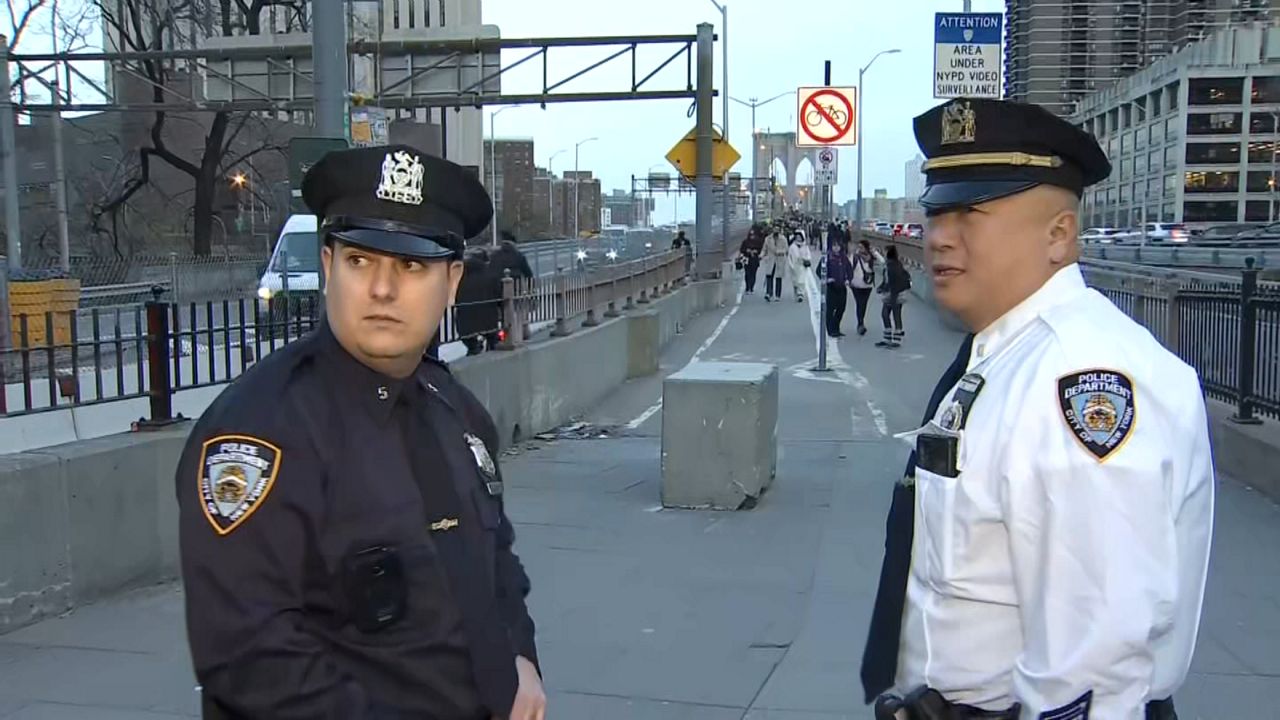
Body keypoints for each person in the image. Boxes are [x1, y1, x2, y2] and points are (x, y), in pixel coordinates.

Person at [860, 98, 1214, 720]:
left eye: (972, 211)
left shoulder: (1079, 379)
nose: (940, 235)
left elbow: (1094, 666)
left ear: (1059, 235)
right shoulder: (1005, 349)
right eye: (937, 210)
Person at [176, 144, 546, 720]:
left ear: (452, 283)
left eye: (411, 267)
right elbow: (251, 654)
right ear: (328, 267)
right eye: (359, 261)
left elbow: (494, 559)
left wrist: (520, 656)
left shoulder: (457, 412)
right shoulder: (263, 432)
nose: (381, 290)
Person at [874, 245, 911, 348]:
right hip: (891, 293)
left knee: (894, 315)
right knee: (886, 314)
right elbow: (887, 280)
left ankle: (896, 340)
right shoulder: (891, 265)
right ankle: (888, 338)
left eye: (885, 251)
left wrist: (885, 290)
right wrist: (882, 287)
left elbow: (893, 282)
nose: (884, 253)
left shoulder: (893, 266)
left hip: (896, 294)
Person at [849, 239, 883, 336]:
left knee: (863, 304)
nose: (860, 249)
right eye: (858, 247)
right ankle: (860, 324)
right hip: (856, 285)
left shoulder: (871, 257)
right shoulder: (855, 257)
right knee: (860, 303)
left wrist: (874, 252)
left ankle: (861, 322)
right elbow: (849, 265)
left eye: (862, 247)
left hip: (867, 285)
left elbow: (882, 261)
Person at [823, 240, 853, 336]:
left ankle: (836, 328)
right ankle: (830, 329)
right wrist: (827, 279)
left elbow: (849, 270)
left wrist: (848, 279)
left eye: (838, 246)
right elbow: (820, 270)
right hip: (832, 287)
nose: (836, 248)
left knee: (841, 308)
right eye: (834, 246)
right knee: (830, 309)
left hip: (842, 286)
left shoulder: (843, 258)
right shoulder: (827, 257)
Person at [762, 228, 788, 302]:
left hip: (779, 260)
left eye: (777, 229)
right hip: (770, 260)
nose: (775, 230)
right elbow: (764, 249)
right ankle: (769, 293)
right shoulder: (768, 239)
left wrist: (779, 252)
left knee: (778, 278)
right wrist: (761, 255)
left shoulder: (783, 239)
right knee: (769, 276)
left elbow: (786, 249)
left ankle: (777, 295)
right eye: (774, 229)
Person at [786, 233, 813, 302]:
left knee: (802, 280)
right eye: (797, 237)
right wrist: (791, 265)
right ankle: (796, 291)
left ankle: (800, 294)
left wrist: (807, 259)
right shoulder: (792, 246)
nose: (798, 238)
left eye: (800, 237)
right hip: (794, 265)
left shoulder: (805, 246)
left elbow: (808, 254)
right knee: (795, 281)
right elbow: (789, 257)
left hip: (802, 265)